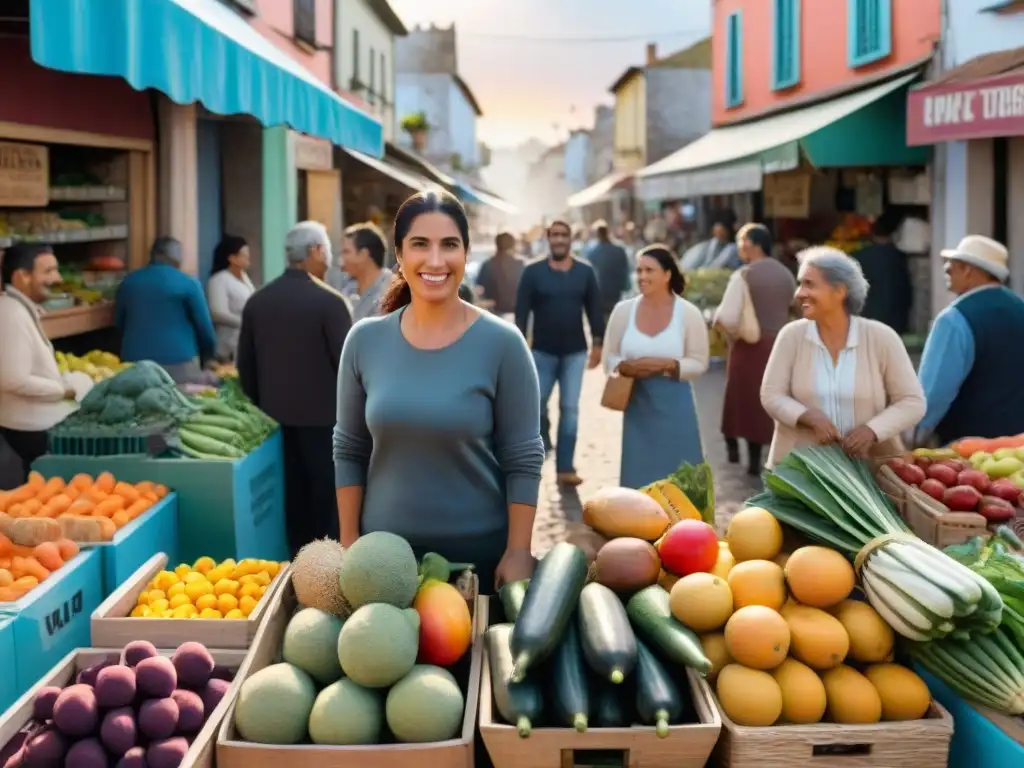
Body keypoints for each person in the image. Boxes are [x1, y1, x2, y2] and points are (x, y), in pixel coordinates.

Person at [333, 190, 544, 594]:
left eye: (449, 245)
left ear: (466, 254)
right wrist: (348, 543)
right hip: (383, 563)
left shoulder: (503, 343)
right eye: (419, 245)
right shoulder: (364, 341)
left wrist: (519, 550)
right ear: (399, 254)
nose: (435, 261)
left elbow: (523, 456)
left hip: (479, 563)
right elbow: (349, 450)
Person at [237, 221, 353, 556]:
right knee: (325, 505)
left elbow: (246, 366)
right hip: (325, 424)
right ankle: (326, 573)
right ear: (316, 251)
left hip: (274, 423)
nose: (329, 258)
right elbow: (348, 367)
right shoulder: (329, 302)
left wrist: (265, 405)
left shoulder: (258, 302)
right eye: (327, 249)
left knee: (288, 503)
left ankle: (294, 573)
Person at [760, 246, 926, 468]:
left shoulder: (881, 338)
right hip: (802, 472)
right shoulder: (791, 336)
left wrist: (872, 431)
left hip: (871, 474)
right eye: (800, 284)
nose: (799, 293)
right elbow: (771, 395)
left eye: (809, 284)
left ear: (839, 291)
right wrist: (808, 417)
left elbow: (912, 402)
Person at [603, 245, 710, 489]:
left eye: (649, 270)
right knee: (639, 474)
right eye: (639, 270)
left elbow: (699, 361)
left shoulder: (688, 313)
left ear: (667, 274)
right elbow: (609, 357)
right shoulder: (623, 312)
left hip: (677, 403)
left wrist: (667, 365)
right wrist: (628, 367)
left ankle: (685, 526)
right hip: (637, 403)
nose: (642, 276)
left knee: (683, 475)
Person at [515, 220, 604, 486]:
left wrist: (598, 343)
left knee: (570, 409)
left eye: (564, 235)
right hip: (541, 352)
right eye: (554, 235)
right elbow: (521, 313)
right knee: (537, 403)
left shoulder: (585, 272)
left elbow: (595, 309)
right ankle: (545, 435)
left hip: (575, 353)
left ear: (570, 239)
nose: (559, 239)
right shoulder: (532, 272)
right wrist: (519, 348)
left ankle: (565, 467)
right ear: (548, 239)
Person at [915, 235, 1024, 445]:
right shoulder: (1020, 309)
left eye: (953, 265)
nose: (946, 269)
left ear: (969, 270)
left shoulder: (955, 318)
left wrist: (912, 441)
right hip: (1017, 450)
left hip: (969, 451)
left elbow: (933, 395)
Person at [714, 224, 796, 475]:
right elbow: (795, 308)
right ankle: (768, 457)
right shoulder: (786, 275)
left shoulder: (744, 275)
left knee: (742, 402)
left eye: (741, 242)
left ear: (752, 244)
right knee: (771, 402)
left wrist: (729, 333)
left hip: (749, 347)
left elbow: (726, 317)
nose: (740, 248)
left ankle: (741, 456)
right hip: (779, 344)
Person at [0, 243, 77, 485]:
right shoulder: (10, 314)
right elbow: (12, 378)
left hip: (38, 426)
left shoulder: (19, 309)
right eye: (49, 271)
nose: (57, 278)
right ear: (22, 276)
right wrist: (62, 390)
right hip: (31, 428)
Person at [115, 237, 217, 383]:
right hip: (179, 363)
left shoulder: (128, 282)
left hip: (134, 364)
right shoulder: (188, 283)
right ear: (173, 256)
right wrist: (209, 356)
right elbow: (205, 328)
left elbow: (119, 322)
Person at [851, 212, 913, 335]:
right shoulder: (901, 258)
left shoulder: (860, 257)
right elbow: (907, 292)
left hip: (869, 321)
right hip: (897, 323)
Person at [205, 235, 254, 362]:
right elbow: (218, 314)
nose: (248, 257)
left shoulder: (244, 277)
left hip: (245, 342)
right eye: (244, 254)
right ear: (233, 258)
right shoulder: (219, 280)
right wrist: (245, 322)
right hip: (227, 347)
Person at [340, 222, 393, 322]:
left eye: (346, 252)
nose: (341, 260)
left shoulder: (393, 292)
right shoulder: (347, 290)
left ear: (364, 254)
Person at [586, 219, 631, 324]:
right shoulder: (619, 250)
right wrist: (626, 287)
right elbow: (625, 272)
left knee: (603, 325)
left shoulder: (593, 252)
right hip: (616, 293)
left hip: (600, 294)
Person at [475, 231, 525, 315]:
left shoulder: (488, 265)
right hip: (516, 312)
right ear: (513, 245)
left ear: (497, 245)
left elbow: (479, 289)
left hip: (494, 313)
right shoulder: (520, 265)